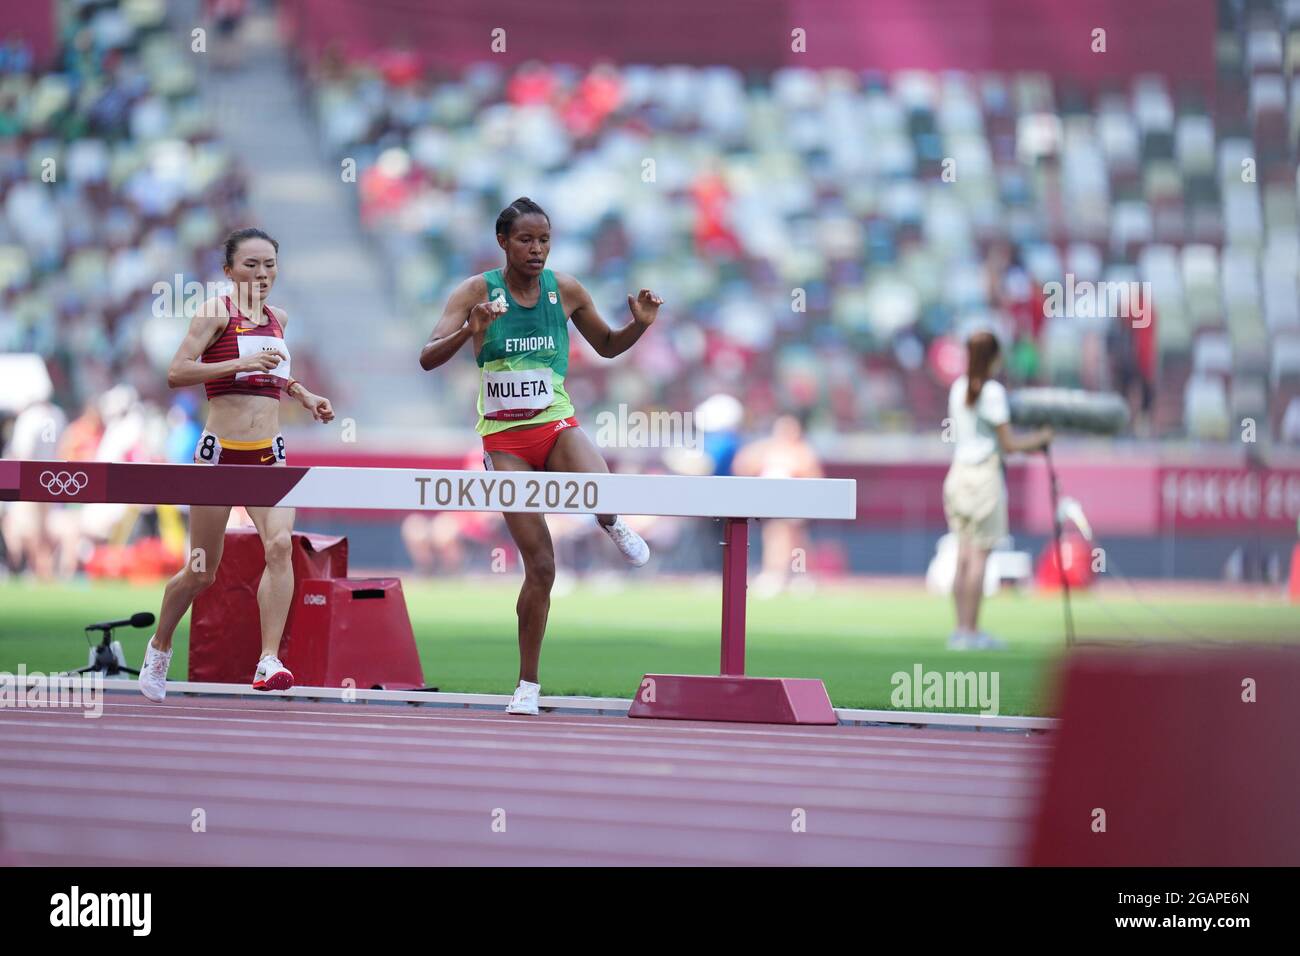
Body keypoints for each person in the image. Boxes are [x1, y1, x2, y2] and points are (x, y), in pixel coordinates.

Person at [418, 197, 660, 715]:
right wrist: (471, 329)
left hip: (556, 425)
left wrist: (639, 324)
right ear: (503, 242)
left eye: (544, 240)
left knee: (599, 488)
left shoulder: (566, 289)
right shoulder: (474, 292)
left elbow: (609, 346)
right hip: (505, 442)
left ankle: (612, 522)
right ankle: (528, 684)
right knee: (543, 567)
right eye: (526, 240)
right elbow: (426, 357)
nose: (537, 249)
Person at [138, 228, 335, 702]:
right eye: (251, 264)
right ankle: (160, 646)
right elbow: (175, 372)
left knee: (280, 545)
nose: (262, 273)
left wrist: (305, 395)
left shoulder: (279, 319)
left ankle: (268, 660)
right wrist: (232, 368)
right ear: (229, 271)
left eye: (269, 264)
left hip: (269, 454)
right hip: (219, 454)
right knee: (203, 571)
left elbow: (278, 374)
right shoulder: (214, 313)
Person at [943, 330, 1051, 650]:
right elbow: (1009, 443)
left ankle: (960, 629)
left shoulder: (958, 387)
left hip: (958, 474)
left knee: (963, 555)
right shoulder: (991, 392)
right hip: (983, 477)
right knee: (978, 557)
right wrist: (1040, 439)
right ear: (994, 357)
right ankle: (971, 631)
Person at [733, 414, 823, 597]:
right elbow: (743, 464)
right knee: (775, 536)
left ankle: (799, 574)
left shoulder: (802, 451)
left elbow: (814, 476)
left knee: (797, 540)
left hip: (796, 502)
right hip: (773, 502)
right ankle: (774, 573)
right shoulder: (766, 449)